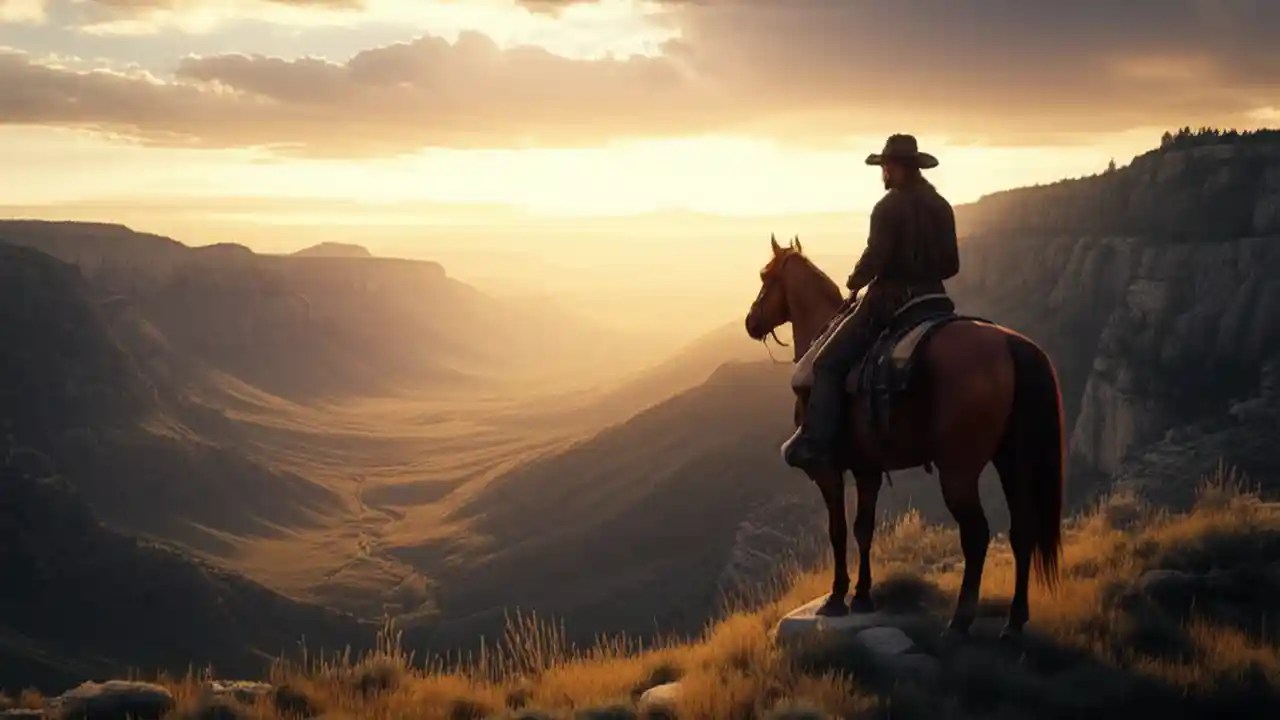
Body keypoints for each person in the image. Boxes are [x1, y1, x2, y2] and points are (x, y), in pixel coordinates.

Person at [782, 134, 959, 473]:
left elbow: (875, 257)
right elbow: (952, 265)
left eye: (886, 167)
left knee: (827, 363)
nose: (884, 173)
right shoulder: (941, 206)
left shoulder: (887, 207)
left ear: (897, 168)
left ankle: (817, 443)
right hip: (934, 300)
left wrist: (854, 281)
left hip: (890, 301)